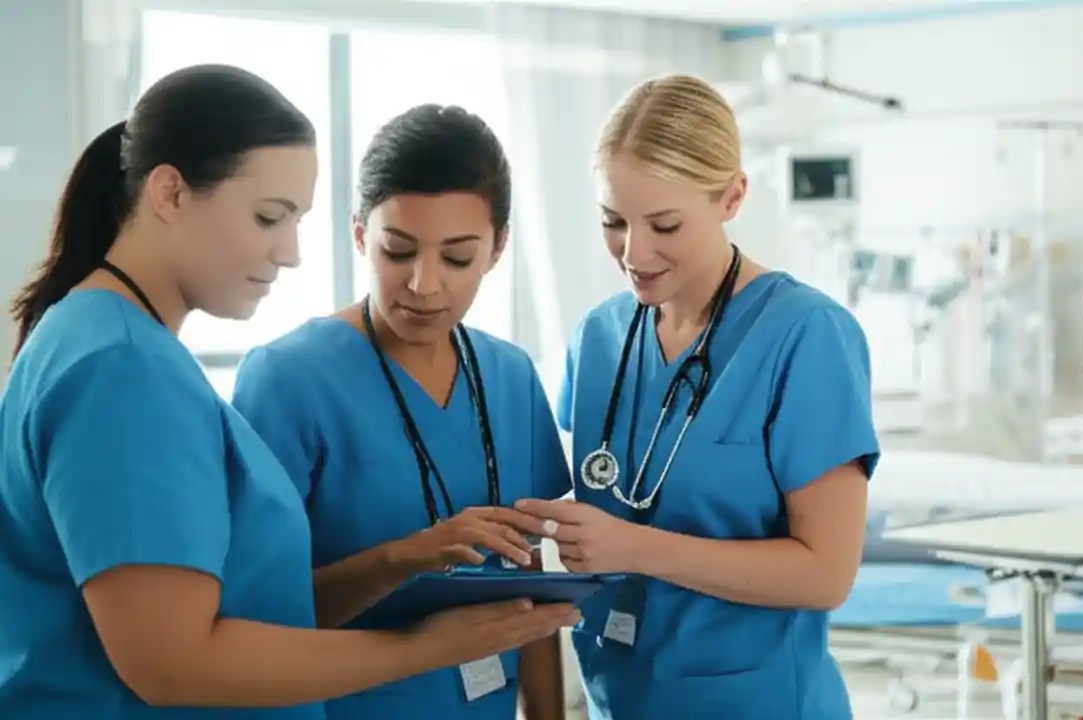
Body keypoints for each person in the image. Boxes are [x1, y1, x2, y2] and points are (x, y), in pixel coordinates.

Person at [0, 65, 577, 720]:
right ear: (170, 193)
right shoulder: (122, 368)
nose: (292, 253)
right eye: (269, 217)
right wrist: (422, 645)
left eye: (296, 219)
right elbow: (172, 661)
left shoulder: (114, 345)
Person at [518, 74, 880, 720]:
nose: (634, 253)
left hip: (757, 702)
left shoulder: (804, 336)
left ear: (732, 196)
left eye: (664, 224)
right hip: (620, 696)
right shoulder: (599, 338)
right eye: (612, 222)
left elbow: (827, 574)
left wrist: (633, 548)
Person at [231, 104, 572, 720]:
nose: (424, 284)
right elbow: (256, 617)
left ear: (497, 247)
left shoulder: (511, 376)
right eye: (398, 250)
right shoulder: (288, 378)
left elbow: (529, 590)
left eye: (458, 257)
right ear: (361, 233)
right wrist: (410, 555)